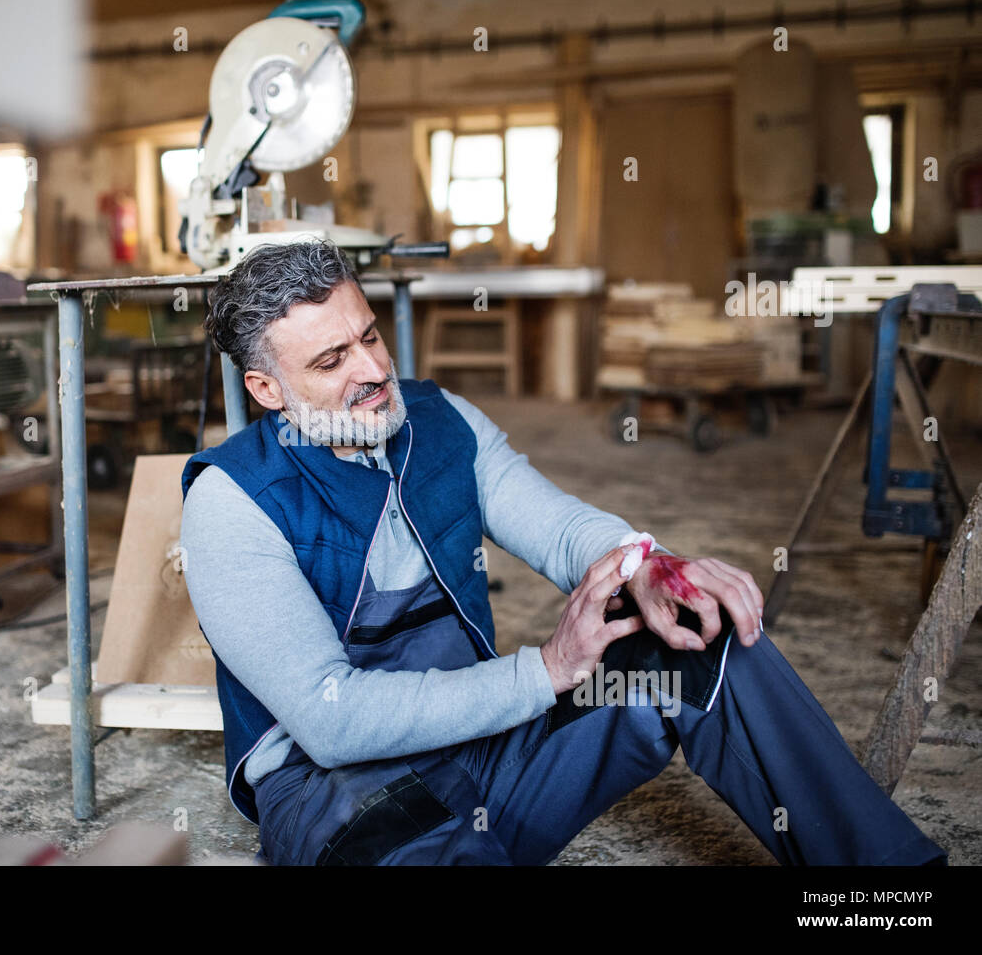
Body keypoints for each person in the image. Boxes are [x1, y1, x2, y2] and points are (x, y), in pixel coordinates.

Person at [179, 239, 946, 866]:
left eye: (370, 337)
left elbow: (557, 525)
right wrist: (545, 672)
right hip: (344, 795)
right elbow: (331, 721)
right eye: (330, 361)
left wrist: (646, 562)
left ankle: (889, 893)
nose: (374, 373)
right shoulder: (232, 501)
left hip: (485, 741)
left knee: (698, 635)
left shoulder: (441, 423)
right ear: (267, 389)